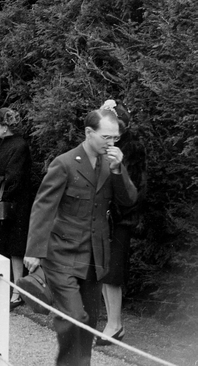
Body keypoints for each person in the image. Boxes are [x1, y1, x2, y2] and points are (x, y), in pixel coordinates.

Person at [24, 109, 138, 366]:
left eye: (115, 139)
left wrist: (120, 170)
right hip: (62, 254)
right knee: (74, 317)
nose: (111, 144)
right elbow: (44, 207)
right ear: (89, 133)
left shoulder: (111, 165)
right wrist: (34, 250)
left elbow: (128, 200)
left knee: (88, 320)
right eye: (106, 138)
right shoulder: (64, 163)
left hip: (95, 257)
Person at [96, 99, 147, 345]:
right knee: (105, 271)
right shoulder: (103, 145)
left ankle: (115, 324)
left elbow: (136, 188)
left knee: (113, 272)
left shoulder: (133, 148)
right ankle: (112, 322)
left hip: (121, 218)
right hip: (103, 217)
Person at [0, 108, 33, 309]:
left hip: (15, 203)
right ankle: (4, 289)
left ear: (5, 125)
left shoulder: (20, 146)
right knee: (2, 247)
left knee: (15, 249)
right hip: (0, 201)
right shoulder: (0, 143)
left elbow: (14, 177)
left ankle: (18, 291)